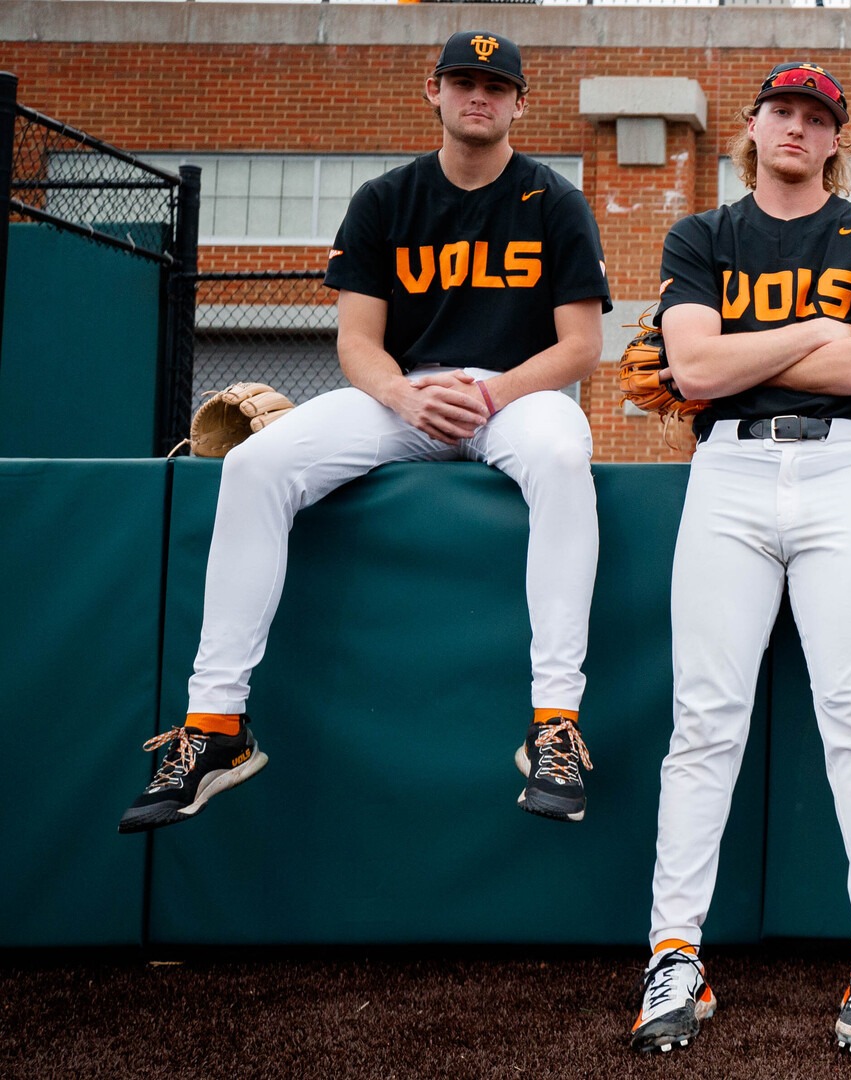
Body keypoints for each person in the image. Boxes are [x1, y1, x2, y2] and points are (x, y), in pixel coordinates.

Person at [117, 30, 611, 833]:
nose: (477, 95)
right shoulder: (386, 198)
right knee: (256, 465)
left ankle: (555, 722)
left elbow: (582, 347)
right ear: (433, 90)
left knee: (562, 453)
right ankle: (215, 728)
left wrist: (489, 398)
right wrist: (407, 399)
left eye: (495, 85)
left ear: (521, 102)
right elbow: (355, 342)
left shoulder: (554, 200)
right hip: (403, 394)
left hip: (515, 395)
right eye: (462, 81)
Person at [630, 62, 851, 1058]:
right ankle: (675, 952)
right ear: (753, 127)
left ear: (836, 138)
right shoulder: (702, 234)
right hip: (728, 477)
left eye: (817, 116)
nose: (798, 126)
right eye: (782, 111)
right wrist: (807, 330)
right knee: (704, 721)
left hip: (843, 474)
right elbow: (691, 373)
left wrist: (734, 352)